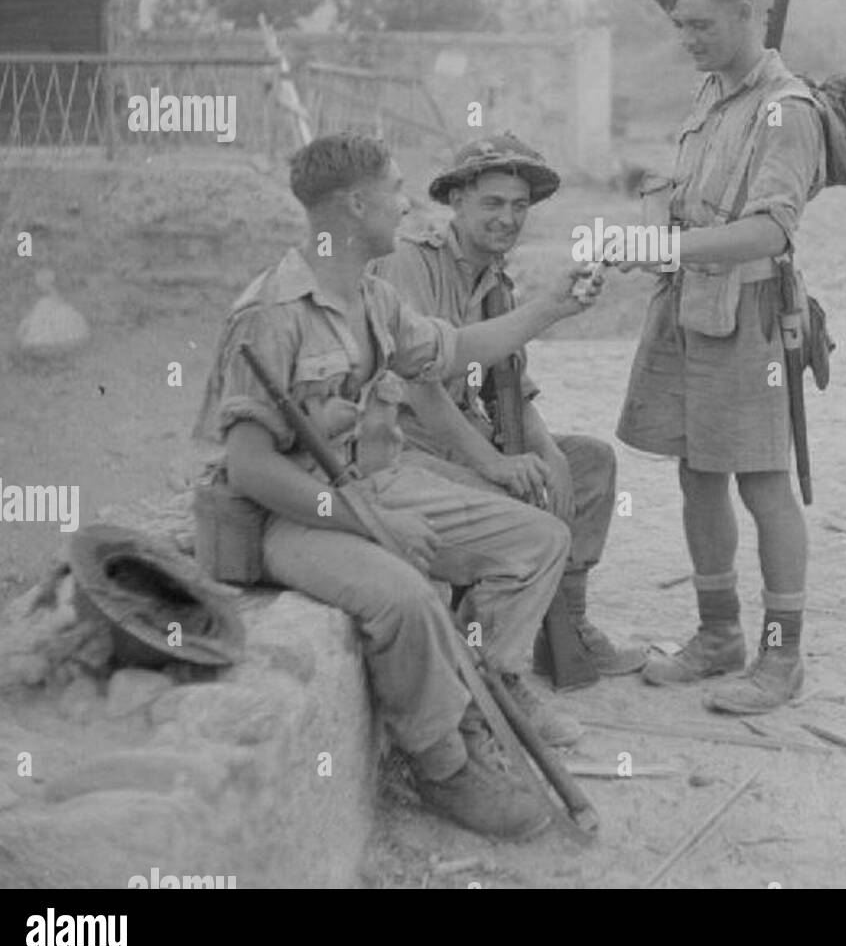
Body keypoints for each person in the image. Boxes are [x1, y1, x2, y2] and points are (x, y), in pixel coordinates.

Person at [193, 133, 603, 839]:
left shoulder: (373, 296)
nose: (409, 202)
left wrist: (548, 309)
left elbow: (451, 350)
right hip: (293, 514)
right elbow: (252, 468)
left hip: (374, 485)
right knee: (407, 595)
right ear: (355, 205)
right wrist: (368, 527)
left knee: (539, 539)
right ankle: (443, 766)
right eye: (396, 188)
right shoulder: (270, 312)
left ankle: (483, 698)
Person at [616, 0, 826, 715]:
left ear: (746, 12)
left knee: (763, 483)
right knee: (695, 471)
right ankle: (717, 635)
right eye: (679, 25)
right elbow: (686, 186)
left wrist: (664, 245)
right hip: (688, 306)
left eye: (702, 24)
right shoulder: (711, 90)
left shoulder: (787, 109)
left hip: (750, 313)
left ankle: (782, 656)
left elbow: (770, 231)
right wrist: (652, 214)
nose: (689, 39)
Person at [371, 133, 645, 679]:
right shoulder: (411, 262)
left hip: (461, 440)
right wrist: (492, 462)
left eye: (519, 206)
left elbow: (510, 388)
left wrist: (549, 453)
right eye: (492, 203)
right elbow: (423, 389)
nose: (507, 219)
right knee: (514, 505)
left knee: (589, 464)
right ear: (457, 201)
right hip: (406, 450)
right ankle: (484, 664)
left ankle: (568, 628)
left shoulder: (496, 279)